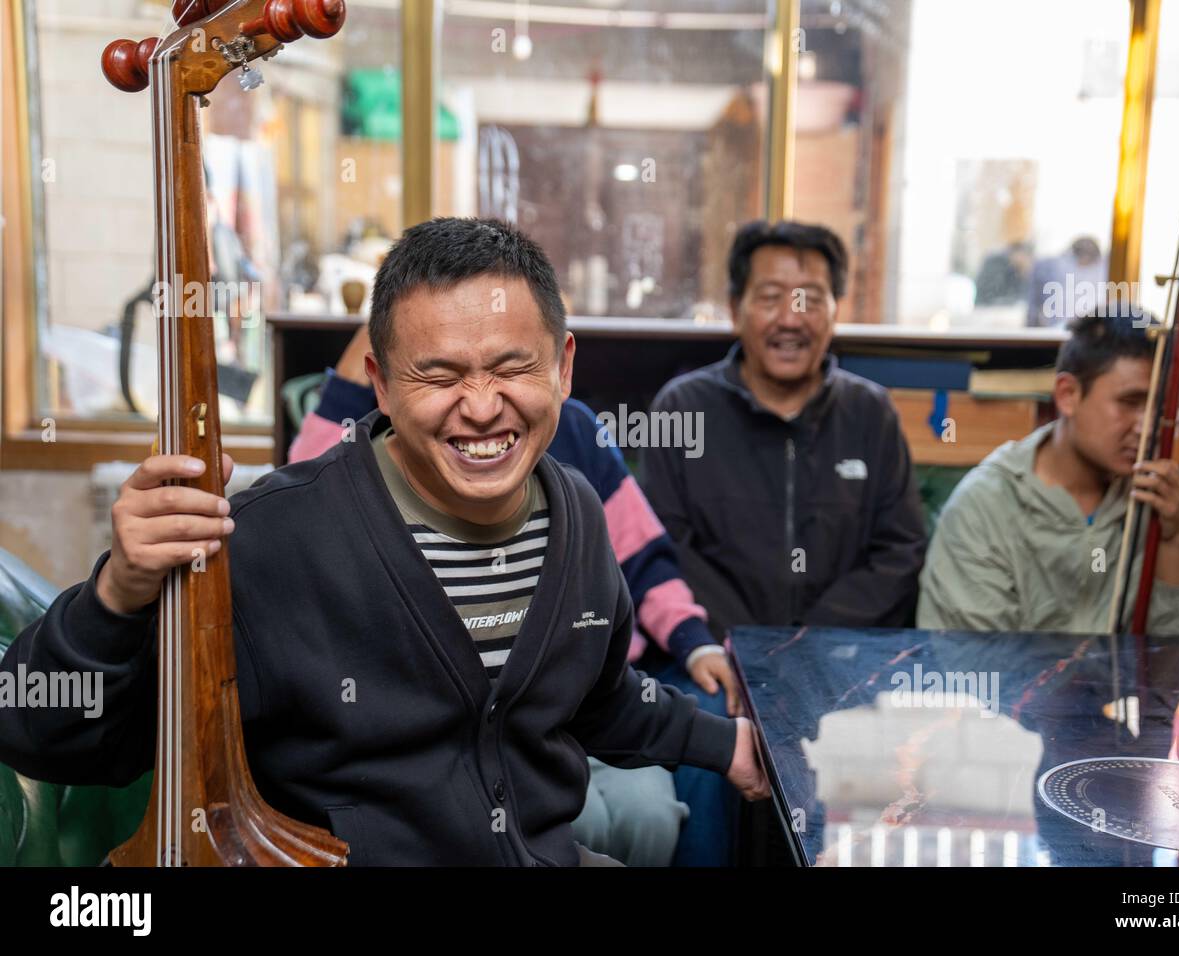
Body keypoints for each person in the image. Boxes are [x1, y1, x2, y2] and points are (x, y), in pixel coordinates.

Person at [0, 217, 769, 866]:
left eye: (512, 367)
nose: (481, 407)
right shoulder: (274, 538)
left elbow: (598, 700)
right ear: (381, 382)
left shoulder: (576, 510)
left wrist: (724, 743)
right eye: (438, 376)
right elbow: (48, 734)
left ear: (563, 368)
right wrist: (118, 593)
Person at [290, 334, 743, 866]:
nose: (482, 404)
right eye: (447, 368)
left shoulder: (574, 432)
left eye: (509, 362)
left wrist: (694, 643)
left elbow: (643, 555)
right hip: (487, 738)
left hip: (589, 706)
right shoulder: (377, 446)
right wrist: (356, 370)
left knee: (653, 818)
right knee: (582, 823)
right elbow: (307, 490)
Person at [641, 219, 928, 638]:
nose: (791, 320)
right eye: (771, 298)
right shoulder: (681, 409)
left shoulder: (871, 412)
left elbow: (900, 552)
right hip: (712, 653)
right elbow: (664, 546)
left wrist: (810, 642)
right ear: (737, 311)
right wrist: (748, 645)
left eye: (810, 300)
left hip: (840, 654)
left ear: (835, 312)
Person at [918, 311, 1179, 635]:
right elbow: (976, 662)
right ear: (1068, 395)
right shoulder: (985, 506)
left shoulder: (1152, 500)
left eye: (1159, 407)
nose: (1147, 427)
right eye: (1130, 402)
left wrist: (1176, 537)